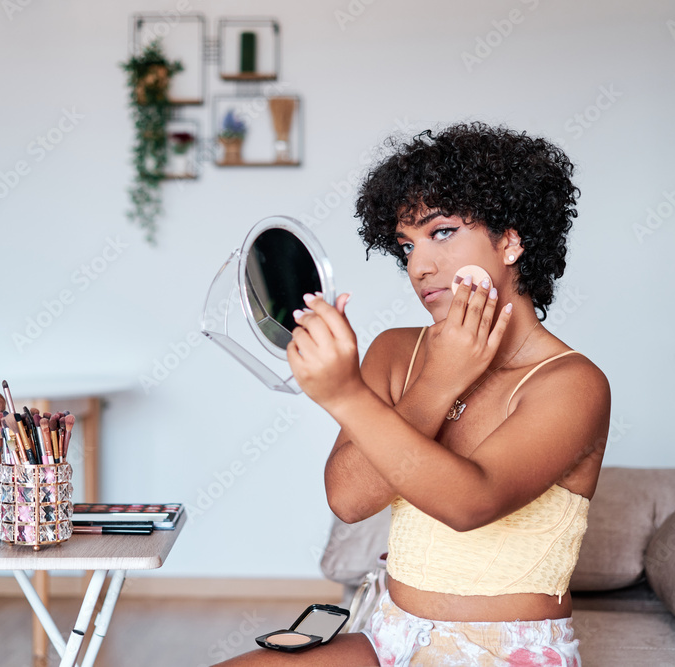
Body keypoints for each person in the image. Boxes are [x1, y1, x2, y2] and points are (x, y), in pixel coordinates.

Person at [216, 122, 610, 666]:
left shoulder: (571, 383)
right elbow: (350, 500)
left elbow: (471, 504)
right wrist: (439, 377)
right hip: (390, 638)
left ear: (511, 241)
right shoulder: (397, 352)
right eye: (406, 244)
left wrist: (347, 394)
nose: (419, 266)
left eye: (442, 232)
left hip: (506, 653)